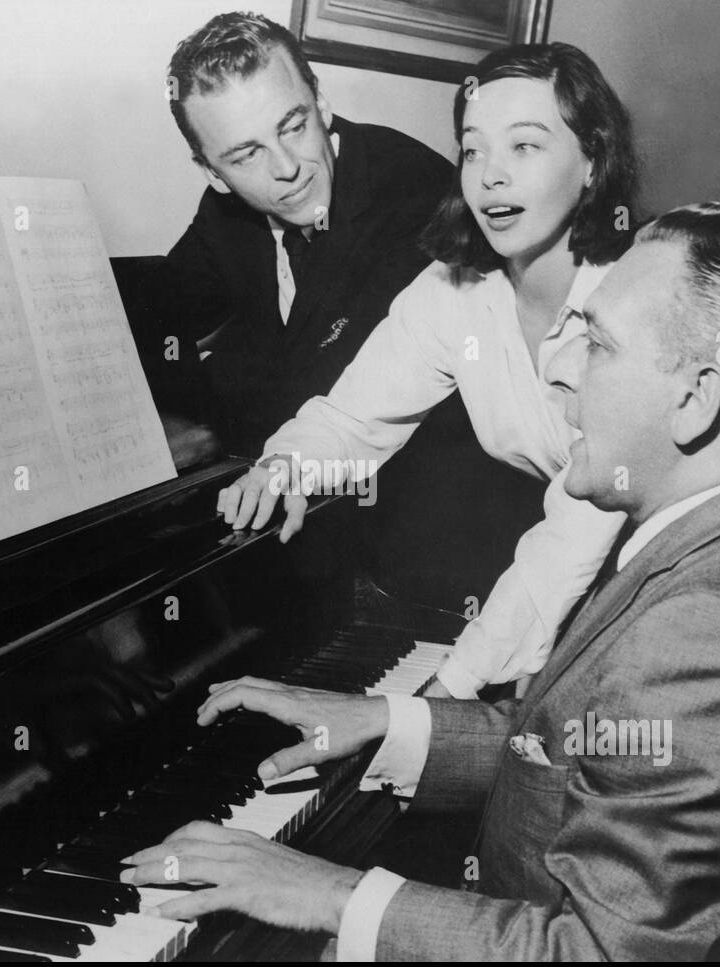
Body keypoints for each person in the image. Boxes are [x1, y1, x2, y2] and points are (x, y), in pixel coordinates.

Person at [121, 202, 720, 961]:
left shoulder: (718, 630)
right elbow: (600, 751)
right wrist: (391, 722)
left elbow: (597, 954)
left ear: (697, 400)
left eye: (597, 344)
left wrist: (328, 893)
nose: (556, 371)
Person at [216, 41, 639, 698]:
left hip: (677, 578)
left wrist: (451, 688)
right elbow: (355, 415)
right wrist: (286, 466)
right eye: (473, 150)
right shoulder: (456, 290)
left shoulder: (634, 302)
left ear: (592, 160)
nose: (490, 176)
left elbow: (581, 519)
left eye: (524, 146)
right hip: (575, 579)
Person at [143, 11, 538, 609]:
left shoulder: (417, 200)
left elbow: (342, 398)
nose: (285, 168)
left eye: (293, 126)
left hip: (432, 554)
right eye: (245, 154)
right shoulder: (226, 212)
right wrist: (154, 420)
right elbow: (160, 314)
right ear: (212, 172)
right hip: (304, 503)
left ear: (321, 104)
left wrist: (208, 428)